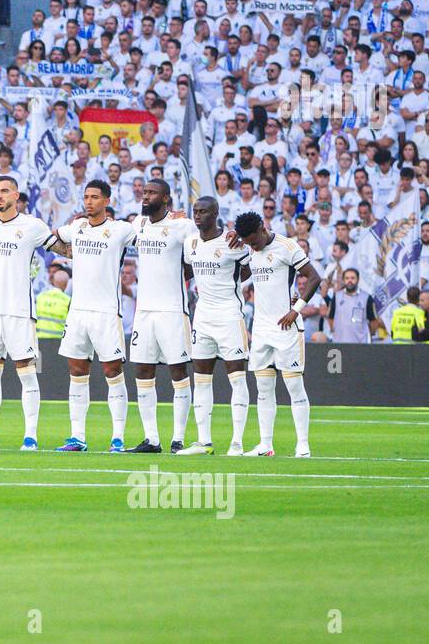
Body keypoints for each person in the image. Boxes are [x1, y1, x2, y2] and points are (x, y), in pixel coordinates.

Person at [0, 174, 53, 450]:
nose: (0, 196)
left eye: (5, 191)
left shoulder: (32, 226)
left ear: (17, 196)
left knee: (27, 373)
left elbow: (60, 247)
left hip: (19, 311)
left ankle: (30, 436)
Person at [47, 181, 132, 452]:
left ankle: (117, 437)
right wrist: (66, 251)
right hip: (78, 312)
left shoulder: (120, 230)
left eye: (95, 197)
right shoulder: (77, 228)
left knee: (112, 371)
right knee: (77, 371)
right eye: (86, 197)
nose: (89, 201)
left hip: (106, 312)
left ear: (106, 200)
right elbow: (52, 236)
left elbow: (150, 234)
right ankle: (77, 436)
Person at [234, 211, 322, 458]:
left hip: (286, 327)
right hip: (261, 329)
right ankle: (265, 445)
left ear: (262, 228)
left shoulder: (286, 246)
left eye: (253, 241)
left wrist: (296, 310)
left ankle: (302, 444)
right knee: (263, 388)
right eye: (247, 243)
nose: (252, 246)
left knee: (294, 386)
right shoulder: (250, 249)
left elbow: (314, 277)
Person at [125, 179, 197, 454]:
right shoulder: (138, 224)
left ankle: (178, 438)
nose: (146, 197)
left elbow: (195, 261)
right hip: (144, 311)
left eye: (152, 193)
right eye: (144, 193)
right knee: (143, 370)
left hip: (172, 311)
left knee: (178, 371)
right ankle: (151, 439)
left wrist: (178, 280)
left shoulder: (182, 226)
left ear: (166, 199)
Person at [180, 196, 251, 455]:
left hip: (230, 315)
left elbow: (247, 270)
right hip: (203, 316)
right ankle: (204, 441)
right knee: (201, 379)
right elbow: (187, 271)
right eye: (195, 212)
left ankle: (237, 442)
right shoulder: (191, 243)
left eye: (204, 212)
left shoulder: (232, 242)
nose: (198, 216)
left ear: (216, 213)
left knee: (237, 378)